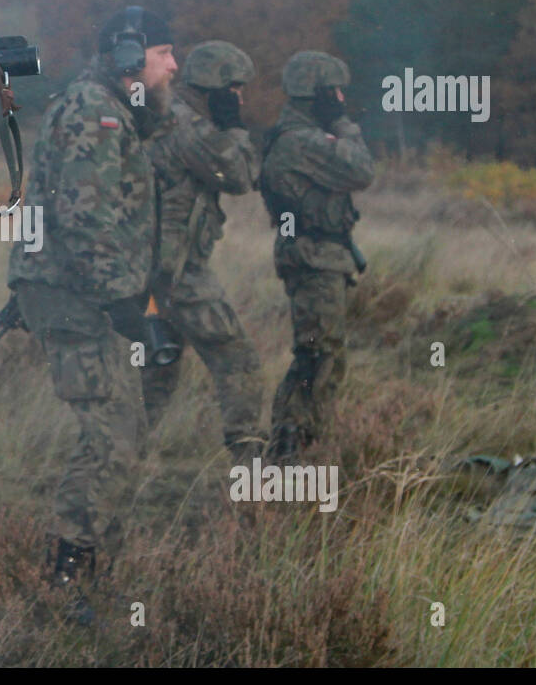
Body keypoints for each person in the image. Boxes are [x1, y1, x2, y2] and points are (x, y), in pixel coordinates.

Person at [6, 5, 177, 622]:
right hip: (75, 294)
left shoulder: (114, 109)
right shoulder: (95, 113)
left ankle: (84, 567)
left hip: (78, 291)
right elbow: (85, 219)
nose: (174, 66)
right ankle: (62, 584)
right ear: (132, 55)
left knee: (120, 429)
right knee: (111, 435)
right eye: (164, 55)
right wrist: (125, 305)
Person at [141, 41, 264, 460]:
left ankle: (125, 458)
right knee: (238, 360)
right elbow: (242, 175)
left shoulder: (166, 115)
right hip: (178, 275)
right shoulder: (188, 126)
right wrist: (235, 126)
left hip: (151, 268)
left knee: (159, 367)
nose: (241, 97)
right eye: (235, 89)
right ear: (217, 89)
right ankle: (249, 461)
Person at [259, 51, 375, 461]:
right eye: (335, 94)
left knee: (323, 352)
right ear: (319, 96)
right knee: (318, 355)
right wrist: (343, 123)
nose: (342, 99)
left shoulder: (298, 137)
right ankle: (291, 445)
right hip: (314, 257)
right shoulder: (302, 141)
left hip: (319, 255)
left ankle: (303, 441)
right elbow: (361, 170)